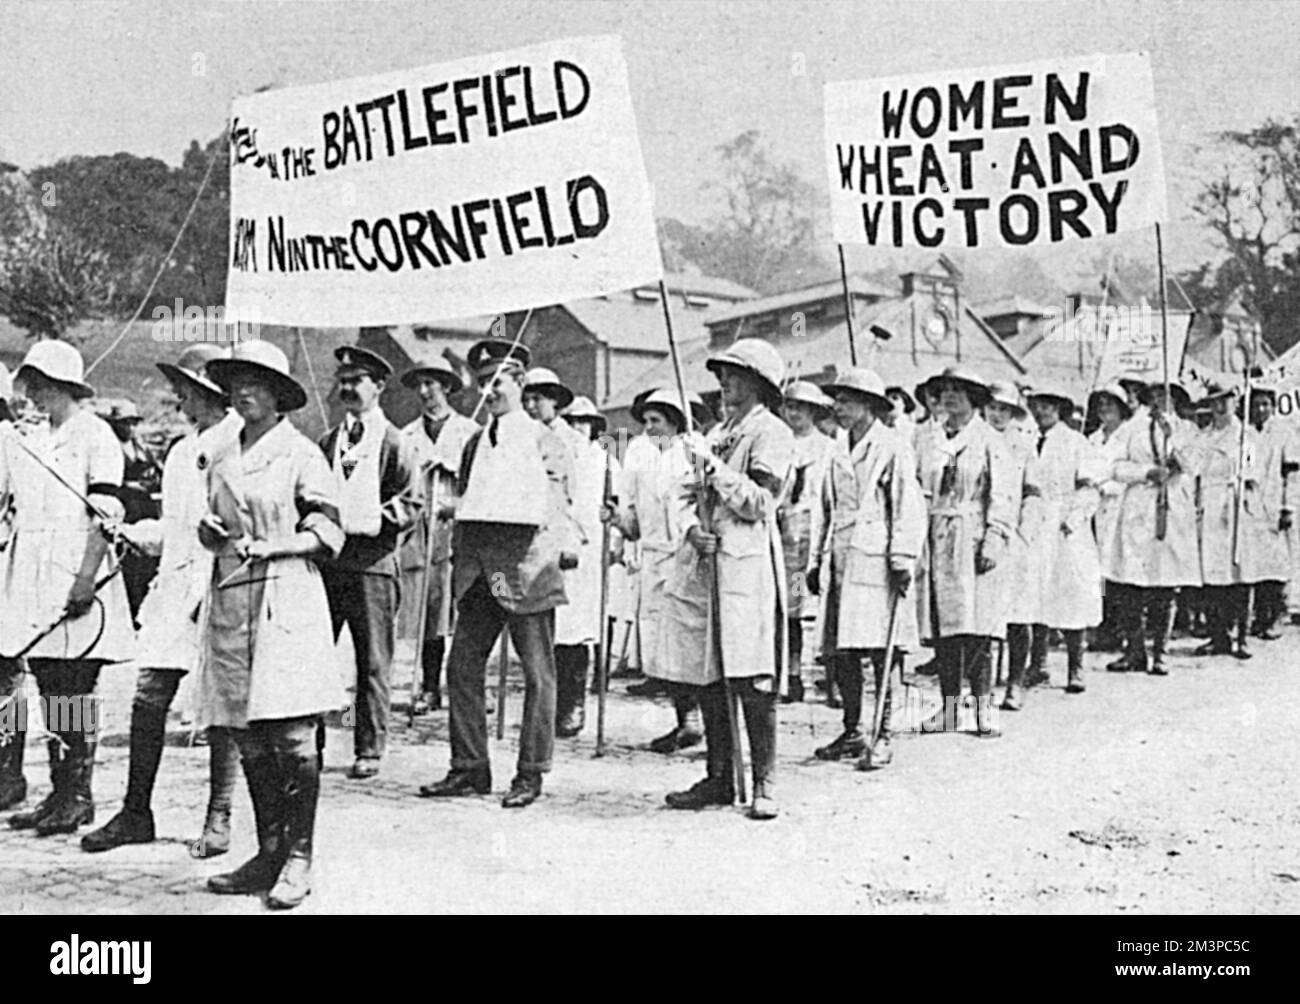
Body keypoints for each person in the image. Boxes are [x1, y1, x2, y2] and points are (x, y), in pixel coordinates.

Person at [199, 340, 345, 910]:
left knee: (290, 734)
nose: (243, 390)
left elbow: (330, 532)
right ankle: (268, 850)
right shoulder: (220, 450)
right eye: (236, 380)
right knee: (248, 734)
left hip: (287, 597)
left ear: (280, 394)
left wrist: (277, 545)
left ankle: (300, 857)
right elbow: (215, 522)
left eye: (256, 381)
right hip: (233, 600)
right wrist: (212, 534)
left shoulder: (301, 453)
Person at [80, 345, 243, 855]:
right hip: (174, 589)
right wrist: (128, 531)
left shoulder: (239, 442)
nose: (177, 398)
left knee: (221, 706)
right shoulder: (178, 451)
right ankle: (136, 812)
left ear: (209, 392)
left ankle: (220, 817)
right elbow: (173, 532)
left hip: (222, 585)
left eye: (185, 389)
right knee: (148, 697)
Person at [419, 340, 576, 809]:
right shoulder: (474, 441)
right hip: (480, 574)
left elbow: (551, 509)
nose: (490, 392)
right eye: (483, 384)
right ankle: (470, 767)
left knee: (537, 676)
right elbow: (470, 494)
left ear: (520, 384)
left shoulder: (544, 440)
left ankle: (530, 771)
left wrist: (539, 564)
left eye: (499, 383)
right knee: (462, 668)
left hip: (523, 572)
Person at [1, 340, 136, 835]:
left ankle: (78, 796)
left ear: (61, 386)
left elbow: (106, 517)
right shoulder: (33, 438)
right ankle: (59, 793)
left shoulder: (95, 435)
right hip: (34, 577)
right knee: (48, 679)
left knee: (75, 685)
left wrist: (84, 579)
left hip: (78, 574)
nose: (32, 393)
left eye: (39, 384)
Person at [668, 338, 793, 820]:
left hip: (746, 564)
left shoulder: (772, 434)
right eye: (722, 374)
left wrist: (714, 469)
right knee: (710, 673)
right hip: (706, 564)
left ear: (759, 383)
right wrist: (691, 527)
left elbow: (760, 503)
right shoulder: (715, 432)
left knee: (752, 674)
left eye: (736, 375)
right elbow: (679, 496)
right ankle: (720, 776)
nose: (725, 383)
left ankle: (764, 780)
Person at [808, 368, 923, 769]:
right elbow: (824, 507)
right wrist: (816, 560)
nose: (838, 408)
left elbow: (908, 504)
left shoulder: (892, 446)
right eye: (836, 400)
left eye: (847, 401)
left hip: (877, 559)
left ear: (869, 405)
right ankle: (853, 728)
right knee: (843, 649)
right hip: (840, 556)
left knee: (882, 650)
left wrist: (903, 557)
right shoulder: (835, 447)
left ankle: (884, 731)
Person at [319, 346, 414, 779]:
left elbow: (411, 503)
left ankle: (369, 747)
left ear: (378, 386)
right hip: (328, 565)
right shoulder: (328, 441)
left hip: (373, 565)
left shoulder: (394, 441)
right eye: (343, 380)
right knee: (315, 654)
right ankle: (311, 745)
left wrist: (369, 522)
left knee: (372, 661)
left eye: (357, 380)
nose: (348, 388)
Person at [918, 366, 1016, 737]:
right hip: (938, 536)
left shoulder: (990, 439)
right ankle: (949, 708)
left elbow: (1004, 493)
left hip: (973, 536)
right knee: (946, 630)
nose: (949, 396)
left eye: (958, 391)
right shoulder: (930, 440)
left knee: (979, 627)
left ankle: (983, 709)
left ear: (974, 397)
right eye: (944, 390)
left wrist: (995, 536)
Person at [613, 388, 706, 754]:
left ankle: (701, 720)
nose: (650, 427)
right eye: (646, 421)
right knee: (661, 645)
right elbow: (633, 519)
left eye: (657, 421)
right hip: (653, 558)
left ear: (676, 421)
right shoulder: (638, 454)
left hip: (688, 556)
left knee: (689, 641)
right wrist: (617, 519)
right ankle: (684, 721)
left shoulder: (695, 450)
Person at [1103, 380, 1201, 676]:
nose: (1159, 401)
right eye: (1155, 396)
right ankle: (1134, 650)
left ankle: (1160, 651)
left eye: (1166, 396)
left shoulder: (1187, 430)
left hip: (1171, 511)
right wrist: (1146, 472)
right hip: (1137, 510)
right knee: (1130, 584)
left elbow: (1193, 467)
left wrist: (1173, 439)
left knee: (1165, 583)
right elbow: (1115, 466)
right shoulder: (1132, 429)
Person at [398, 356, 478, 714]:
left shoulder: (469, 432)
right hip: (420, 532)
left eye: (431, 383)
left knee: (460, 609)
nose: (425, 391)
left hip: (458, 531)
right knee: (428, 609)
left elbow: (484, 484)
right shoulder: (406, 435)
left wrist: (452, 470)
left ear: (446, 386)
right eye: (420, 385)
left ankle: (467, 688)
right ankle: (429, 687)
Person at [1023, 385, 1104, 693]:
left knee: (1071, 594)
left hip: (1067, 526)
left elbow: (1089, 487)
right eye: (1038, 405)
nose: (1042, 411)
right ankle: (1039, 665)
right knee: (1036, 593)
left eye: (1048, 406)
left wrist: (1073, 519)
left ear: (1059, 410)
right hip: (1035, 523)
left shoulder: (1075, 442)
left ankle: (1075, 668)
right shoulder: (1028, 441)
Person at [553, 395, 619, 737]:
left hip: (589, 555)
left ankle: (574, 705)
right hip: (555, 549)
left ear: (594, 427)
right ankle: (553, 704)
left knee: (578, 631)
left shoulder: (605, 462)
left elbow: (618, 507)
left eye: (584, 422)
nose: (577, 428)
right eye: (572, 421)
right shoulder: (555, 454)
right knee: (553, 630)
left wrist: (615, 541)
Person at [985, 381, 1043, 711]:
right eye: (992, 408)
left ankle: (1015, 683)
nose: (996, 414)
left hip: (1016, 538)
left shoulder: (1022, 446)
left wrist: (1026, 530)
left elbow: (1033, 491)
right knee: (986, 617)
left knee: (1018, 615)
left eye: (1003, 409)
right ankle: (984, 685)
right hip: (987, 537)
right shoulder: (976, 439)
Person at [779, 380, 836, 703]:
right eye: (790, 407)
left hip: (815, 536)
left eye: (801, 407)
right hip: (788, 537)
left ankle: (832, 679)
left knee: (823, 609)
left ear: (814, 412)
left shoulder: (827, 447)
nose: (795, 413)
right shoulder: (781, 444)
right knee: (792, 610)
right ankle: (793, 674)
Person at [1193, 383, 1253, 659]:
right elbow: (1195, 472)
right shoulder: (1203, 436)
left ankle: (1241, 637)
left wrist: (1243, 494)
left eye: (1225, 400)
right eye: (1214, 401)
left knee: (1239, 572)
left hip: (1235, 503)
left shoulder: (1245, 436)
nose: (1220, 406)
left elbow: (1254, 473)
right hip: (1209, 504)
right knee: (1211, 575)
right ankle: (1218, 636)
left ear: (1236, 401)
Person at [99, 399, 163, 620]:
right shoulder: (109, 446)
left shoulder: (140, 445)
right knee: (124, 559)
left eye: (134, 423)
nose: (131, 428)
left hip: (144, 509)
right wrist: (131, 485)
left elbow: (158, 468)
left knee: (145, 560)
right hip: (125, 506)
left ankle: (138, 607)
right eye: (126, 423)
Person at [1243, 386, 1294, 639]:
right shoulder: (1246, 434)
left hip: (1275, 503)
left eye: (1265, 404)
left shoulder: (1283, 433)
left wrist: (1288, 506)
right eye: (1256, 405)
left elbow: (1291, 474)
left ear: (1273, 407)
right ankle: (1259, 618)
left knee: (1275, 564)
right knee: (1256, 564)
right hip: (1252, 504)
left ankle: (1276, 617)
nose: (1260, 409)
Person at [1086, 383, 1133, 653]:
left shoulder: (1129, 437)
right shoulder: (1093, 438)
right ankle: (1103, 627)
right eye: (1100, 404)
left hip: (1120, 508)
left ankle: (1119, 630)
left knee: (1118, 573)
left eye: (1110, 404)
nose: (1105, 409)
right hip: (1095, 510)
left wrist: (1105, 485)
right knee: (1098, 574)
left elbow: (1127, 475)